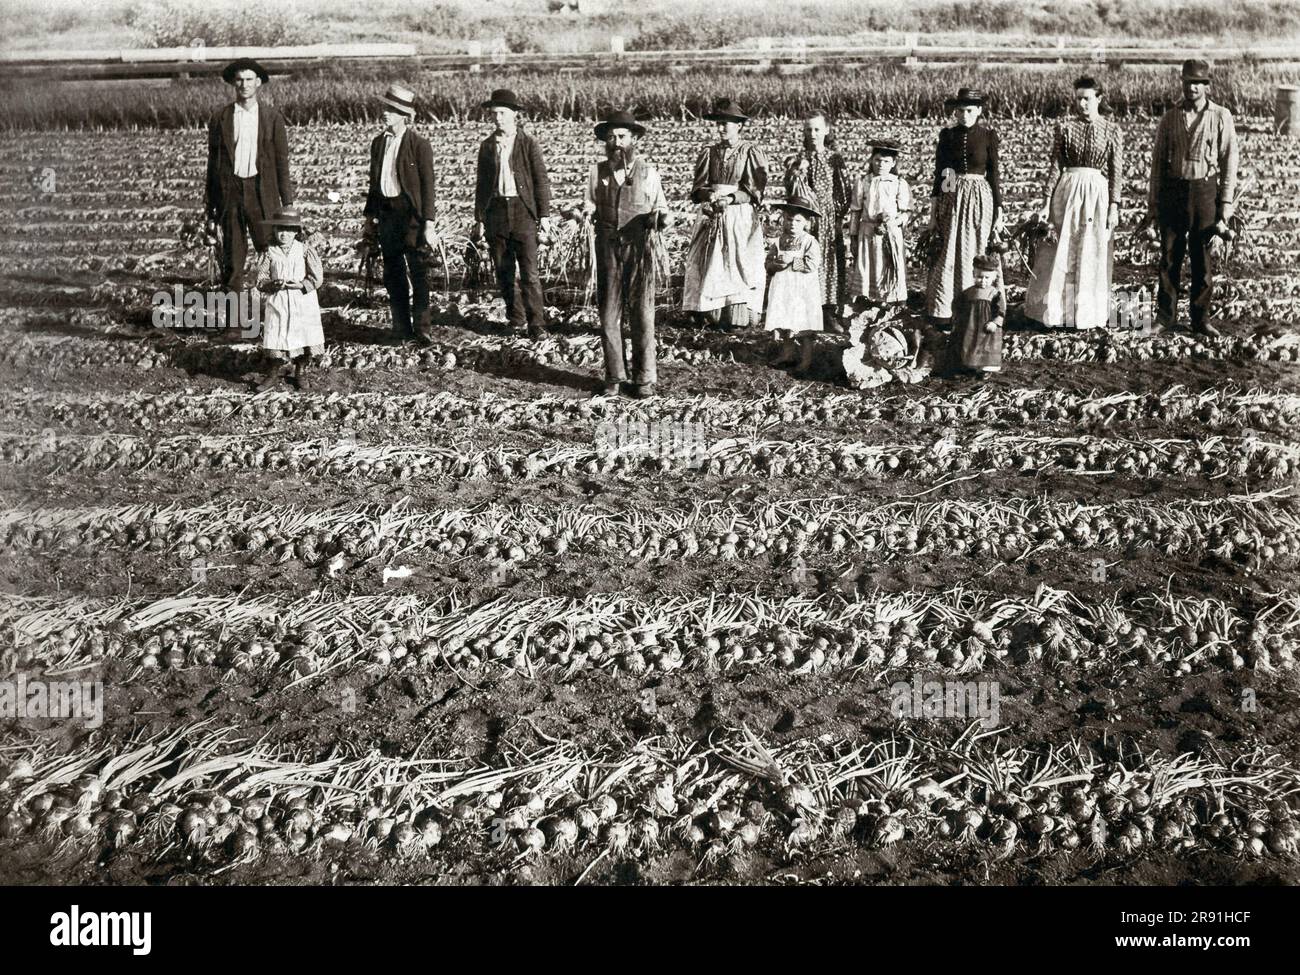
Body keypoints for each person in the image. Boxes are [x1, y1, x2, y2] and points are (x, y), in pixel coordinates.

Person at [1143, 59, 1238, 336]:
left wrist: (1225, 204)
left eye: (1197, 83)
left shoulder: (1221, 116)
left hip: (1204, 192)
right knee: (1170, 257)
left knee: (1202, 259)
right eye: (1187, 83)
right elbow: (1158, 163)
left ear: (1207, 86)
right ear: (1182, 84)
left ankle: (1200, 319)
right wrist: (1154, 204)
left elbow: (1229, 161)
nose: (1192, 88)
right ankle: (1165, 317)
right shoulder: (1170, 117)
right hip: (1174, 191)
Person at [581, 110, 672, 399]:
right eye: (611, 137)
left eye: (621, 136)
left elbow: (662, 208)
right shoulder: (597, 171)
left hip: (640, 248)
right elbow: (590, 203)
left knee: (643, 313)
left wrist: (661, 218)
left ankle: (644, 379)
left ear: (633, 139)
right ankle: (614, 377)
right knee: (609, 313)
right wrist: (582, 213)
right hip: (607, 246)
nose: (616, 142)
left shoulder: (649, 172)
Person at [1024, 77, 1123, 331]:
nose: (1081, 103)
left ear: (1099, 99)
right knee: (1063, 250)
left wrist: (1114, 206)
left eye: (1087, 98)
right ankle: (1059, 313)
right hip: (1068, 192)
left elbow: (1116, 173)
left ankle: (1086, 315)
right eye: (1078, 98)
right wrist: (1046, 202)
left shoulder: (1112, 130)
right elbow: (1055, 166)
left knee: (1091, 250)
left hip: (1097, 195)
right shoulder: (1065, 128)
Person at [205, 58, 294, 292]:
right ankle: (234, 324)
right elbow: (213, 164)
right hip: (230, 194)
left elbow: (281, 162)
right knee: (232, 259)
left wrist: (288, 203)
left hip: (262, 193)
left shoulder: (272, 118)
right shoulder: (220, 118)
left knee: (272, 253)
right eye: (239, 80)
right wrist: (211, 206)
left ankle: (277, 317)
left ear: (258, 83)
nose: (244, 85)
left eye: (249, 79)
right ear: (234, 83)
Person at [361, 83, 439, 344]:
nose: (386, 113)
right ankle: (401, 328)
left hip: (411, 216)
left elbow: (428, 187)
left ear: (405, 115)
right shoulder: (378, 143)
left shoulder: (419, 145)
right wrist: (369, 218)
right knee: (393, 273)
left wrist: (429, 223)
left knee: (418, 273)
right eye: (385, 108)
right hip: (387, 215)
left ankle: (423, 329)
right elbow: (374, 184)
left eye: (392, 110)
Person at [473, 88, 554, 339]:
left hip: (522, 212)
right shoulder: (487, 146)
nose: (498, 118)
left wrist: (544, 216)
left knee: (529, 272)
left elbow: (541, 181)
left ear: (514, 115)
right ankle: (515, 319)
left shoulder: (528, 144)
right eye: (494, 113)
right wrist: (479, 219)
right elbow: (482, 185)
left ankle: (536, 323)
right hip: (496, 212)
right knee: (503, 270)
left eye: (503, 113)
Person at [682, 97, 768, 331]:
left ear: (739, 125)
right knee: (704, 259)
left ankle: (737, 314)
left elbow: (754, 190)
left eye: (726, 123)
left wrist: (730, 199)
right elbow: (697, 188)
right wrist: (708, 196)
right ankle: (703, 312)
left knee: (738, 261)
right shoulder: (709, 153)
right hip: (712, 212)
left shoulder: (750, 151)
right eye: (718, 123)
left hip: (738, 214)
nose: (721, 128)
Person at [925, 87, 1003, 324]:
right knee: (949, 248)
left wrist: (999, 211)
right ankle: (944, 310)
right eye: (960, 111)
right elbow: (943, 172)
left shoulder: (988, 136)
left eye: (969, 110)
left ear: (979, 111)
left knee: (976, 247)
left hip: (980, 198)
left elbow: (994, 175)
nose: (964, 115)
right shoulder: (947, 136)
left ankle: (978, 306)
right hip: (954, 197)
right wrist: (940, 206)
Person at [783, 112, 850, 332]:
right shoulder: (799, 159)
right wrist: (796, 172)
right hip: (808, 219)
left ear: (827, 131)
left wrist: (837, 215)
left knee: (830, 263)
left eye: (817, 129)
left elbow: (843, 190)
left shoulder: (834, 159)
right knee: (806, 260)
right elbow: (792, 192)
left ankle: (829, 312)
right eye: (809, 129)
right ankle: (807, 312)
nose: (813, 134)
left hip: (829, 220)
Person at [251, 207, 324, 392]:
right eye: (280, 229)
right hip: (279, 301)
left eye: (288, 230)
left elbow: (316, 277)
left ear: (295, 232)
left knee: (303, 336)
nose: (283, 234)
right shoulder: (269, 252)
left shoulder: (304, 250)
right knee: (275, 335)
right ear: (274, 230)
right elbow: (261, 280)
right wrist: (273, 284)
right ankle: (273, 373)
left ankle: (300, 372)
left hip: (302, 301)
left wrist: (300, 285)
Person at [847, 140, 912, 307]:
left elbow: (906, 212)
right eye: (877, 160)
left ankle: (890, 300)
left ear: (893, 163)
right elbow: (855, 211)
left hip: (890, 233)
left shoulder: (899, 183)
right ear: (871, 160)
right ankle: (868, 300)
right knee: (868, 265)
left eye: (886, 161)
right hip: (867, 231)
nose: (881, 164)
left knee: (888, 265)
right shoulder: (863, 182)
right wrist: (853, 236)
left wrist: (894, 221)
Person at [764, 195, 823, 377]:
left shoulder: (809, 242)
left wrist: (792, 261)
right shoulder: (779, 241)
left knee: (803, 324)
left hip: (801, 290)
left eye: (798, 220)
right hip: (783, 289)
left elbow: (812, 265)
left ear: (806, 222)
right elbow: (768, 262)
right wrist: (774, 265)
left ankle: (806, 361)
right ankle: (787, 355)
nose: (792, 224)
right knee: (785, 321)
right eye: (789, 219)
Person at [946, 254, 1005, 377]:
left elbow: (1000, 310)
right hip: (970, 325)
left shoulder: (994, 294)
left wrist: (995, 322)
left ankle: (985, 369)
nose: (983, 281)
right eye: (979, 277)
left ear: (993, 278)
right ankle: (969, 366)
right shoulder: (968, 293)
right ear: (974, 274)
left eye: (987, 278)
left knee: (986, 346)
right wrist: (956, 318)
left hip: (986, 326)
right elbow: (957, 305)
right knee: (969, 343)